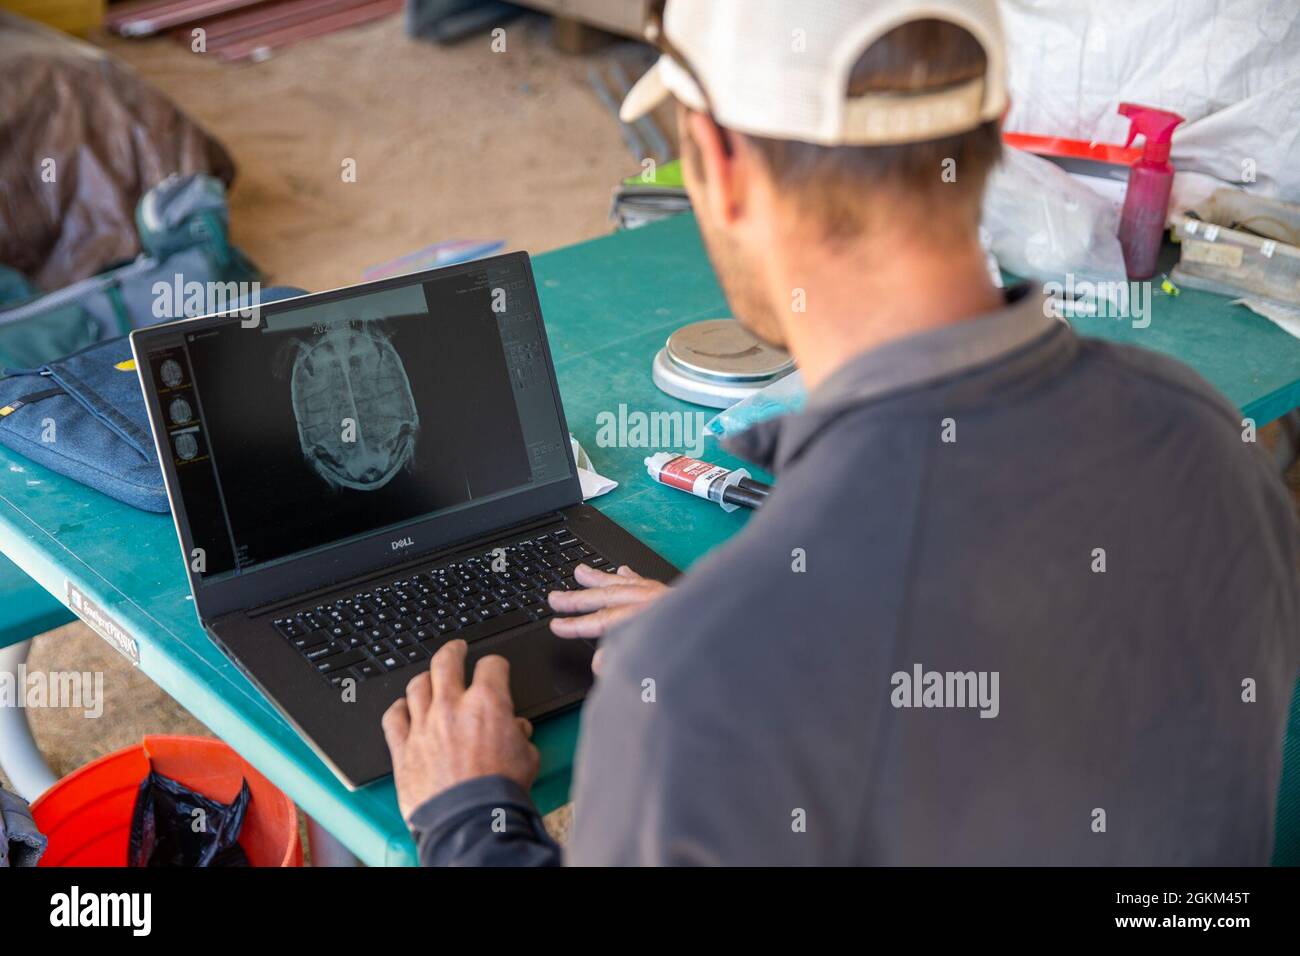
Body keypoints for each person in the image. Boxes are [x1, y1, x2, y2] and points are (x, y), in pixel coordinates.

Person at [381, 0, 1300, 865]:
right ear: (995, 133)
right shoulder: (1210, 442)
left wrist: (471, 814)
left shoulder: (687, 692)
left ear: (719, 167)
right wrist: (753, 643)